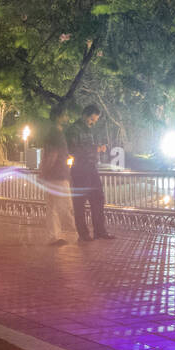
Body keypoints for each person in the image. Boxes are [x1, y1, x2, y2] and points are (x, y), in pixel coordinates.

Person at [65, 105, 113, 242]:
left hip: (91, 168)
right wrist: (96, 149)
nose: (93, 122)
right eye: (92, 119)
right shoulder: (73, 129)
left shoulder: (89, 130)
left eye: (95, 120)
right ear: (85, 114)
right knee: (79, 203)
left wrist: (97, 149)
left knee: (98, 199)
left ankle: (100, 231)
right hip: (80, 169)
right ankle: (83, 234)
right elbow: (73, 149)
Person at [38, 110, 77, 247]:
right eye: (65, 114)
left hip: (54, 174)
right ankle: (77, 233)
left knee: (53, 206)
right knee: (67, 206)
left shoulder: (53, 133)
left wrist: (44, 172)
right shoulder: (56, 134)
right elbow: (52, 155)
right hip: (58, 175)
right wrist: (44, 172)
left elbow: (50, 154)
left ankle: (54, 236)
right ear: (58, 117)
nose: (67, 117)